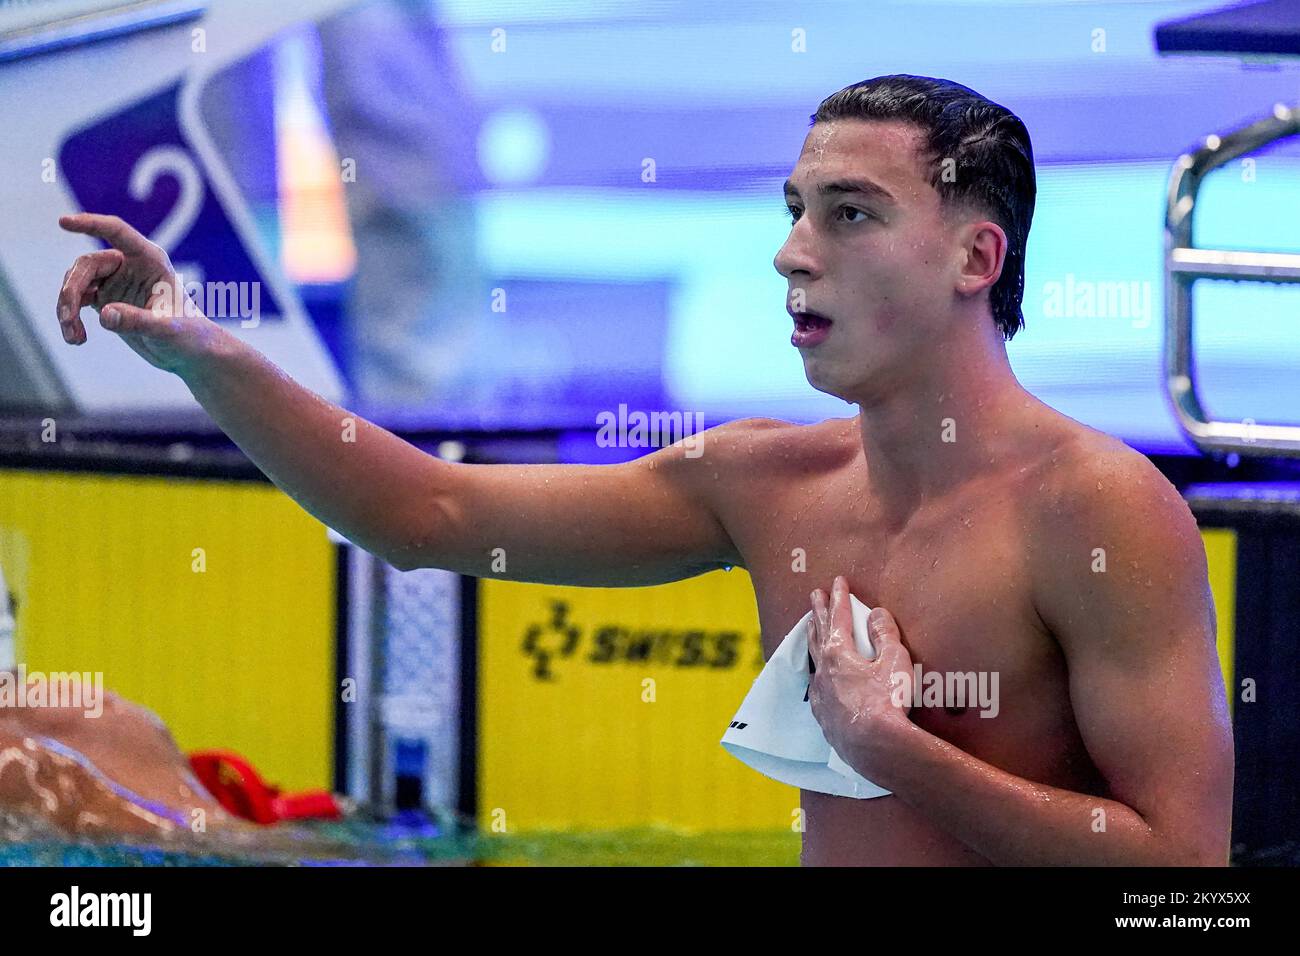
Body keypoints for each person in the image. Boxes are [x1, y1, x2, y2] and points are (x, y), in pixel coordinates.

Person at [53, 74, 1233, 866]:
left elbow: (1188, 875)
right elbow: (423, 510)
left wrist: (895, 752)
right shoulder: (769, 482)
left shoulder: (1096, 509)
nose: (791, 251)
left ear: (977, 255)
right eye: (793, 209)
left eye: (850, 215)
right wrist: (199, 348)